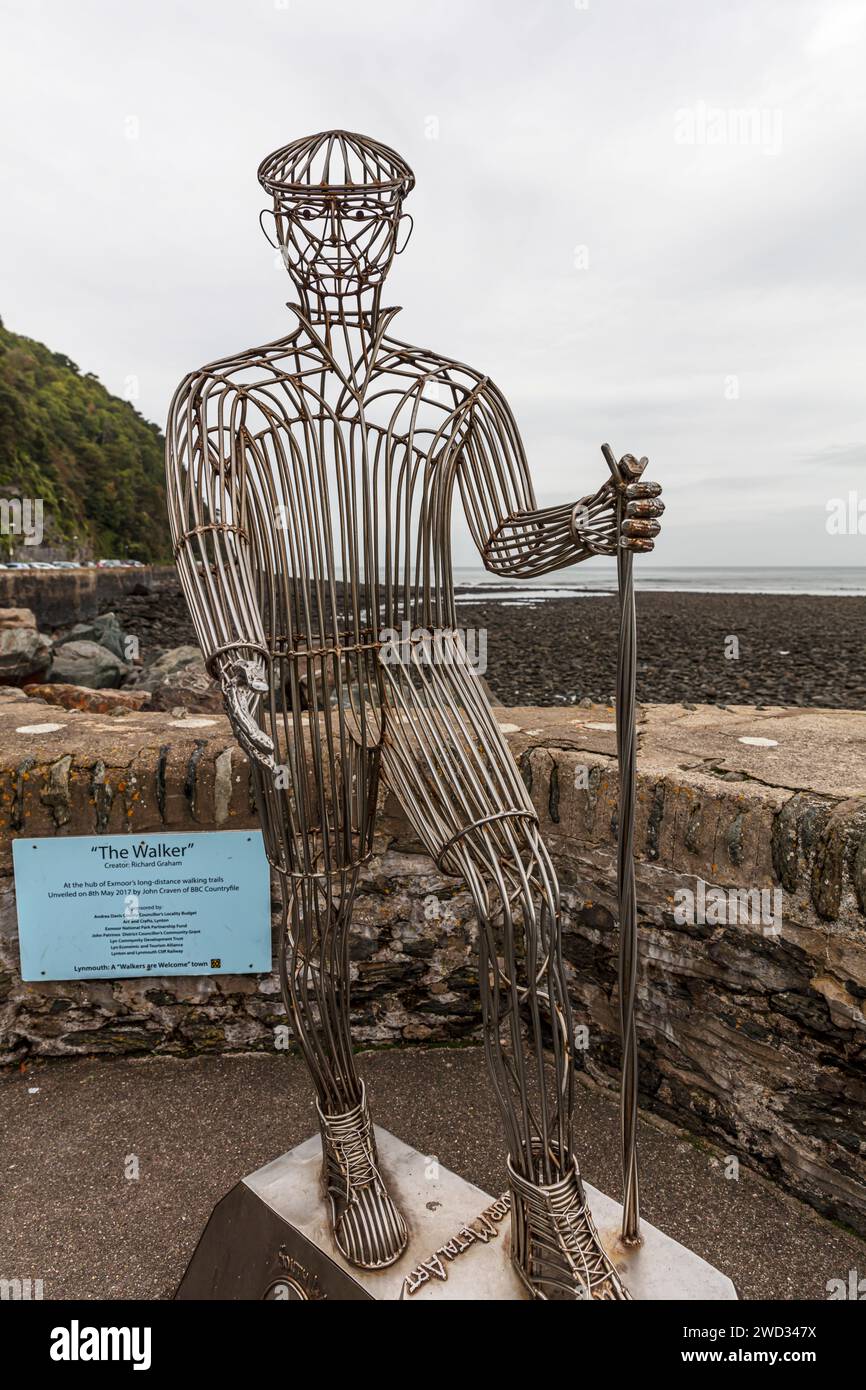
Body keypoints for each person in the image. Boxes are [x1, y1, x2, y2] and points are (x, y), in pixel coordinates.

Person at [166, 130, 664, 1299]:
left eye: (358, 216)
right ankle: (345, 1129)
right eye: (312, 215)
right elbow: (208, 539)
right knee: (316, 913)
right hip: (302, 673)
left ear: (392, 229)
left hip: (430, 665)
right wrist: (239, 658)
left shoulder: (456, 397)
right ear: (279, 229)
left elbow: (503, 542)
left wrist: (596, 520)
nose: (336, 236)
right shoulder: (219, 398)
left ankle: (544, 1194)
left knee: (526, 899)